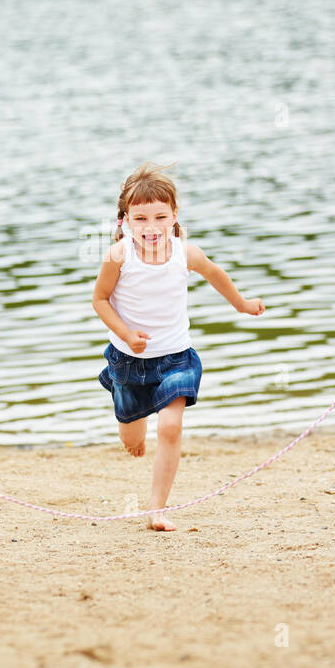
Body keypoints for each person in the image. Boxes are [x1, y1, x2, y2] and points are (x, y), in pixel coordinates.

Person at [93, 163, 264, 531]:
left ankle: (156, 509)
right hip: (129, 361)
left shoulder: (185, 253)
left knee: (170, 427)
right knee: (131, 434)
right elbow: (100, 301)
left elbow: (216, 274)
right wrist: (126, 334)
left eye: (160, 216)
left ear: (174, 216)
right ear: (124, 221)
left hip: (176, 358)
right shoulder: (118, 257)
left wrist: (242, 305)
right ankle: (132, 425)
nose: (151, 227)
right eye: (140, 218)